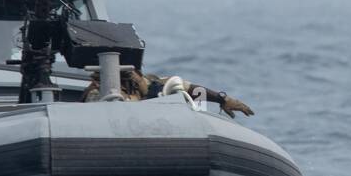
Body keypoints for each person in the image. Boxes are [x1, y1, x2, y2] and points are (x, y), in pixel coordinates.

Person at [83, 64, 254, 117]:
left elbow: (188, 88)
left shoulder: (152, 85)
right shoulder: (98, 95)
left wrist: (222, 99)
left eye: (134, 73)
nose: (134, 77)